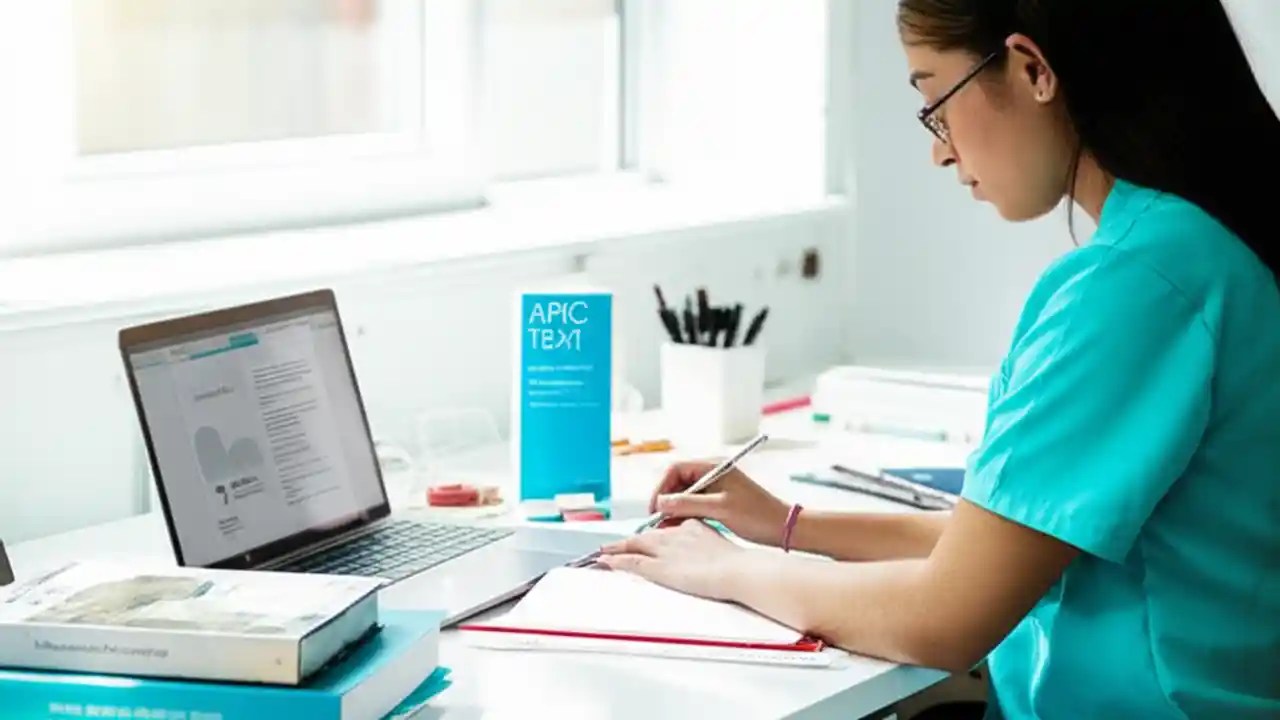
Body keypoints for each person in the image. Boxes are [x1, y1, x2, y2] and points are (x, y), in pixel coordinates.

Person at [598, 1, 1280, 718]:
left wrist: (727, 570)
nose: (941, 150)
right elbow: (1001, 544)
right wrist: (788, 524)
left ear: (1032, 70)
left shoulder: (1135, 285)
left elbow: (943, 616)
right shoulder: (1202, 245)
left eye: (936, 103)